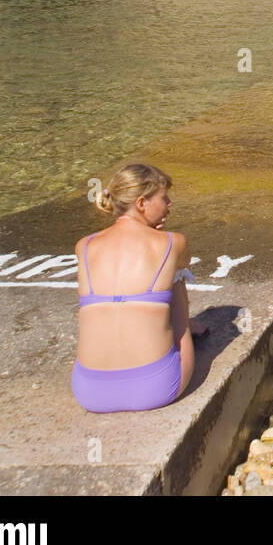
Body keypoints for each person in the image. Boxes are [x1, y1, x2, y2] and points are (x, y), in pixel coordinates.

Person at [71, 163, 196, 413]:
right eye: (164, 198)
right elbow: (184, 264)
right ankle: (187, 330)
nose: (169, 204)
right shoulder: (172, 242)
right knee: (177, 275)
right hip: (155, 386)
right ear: (142, 203)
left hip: (89, 390)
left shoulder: (84, 246)